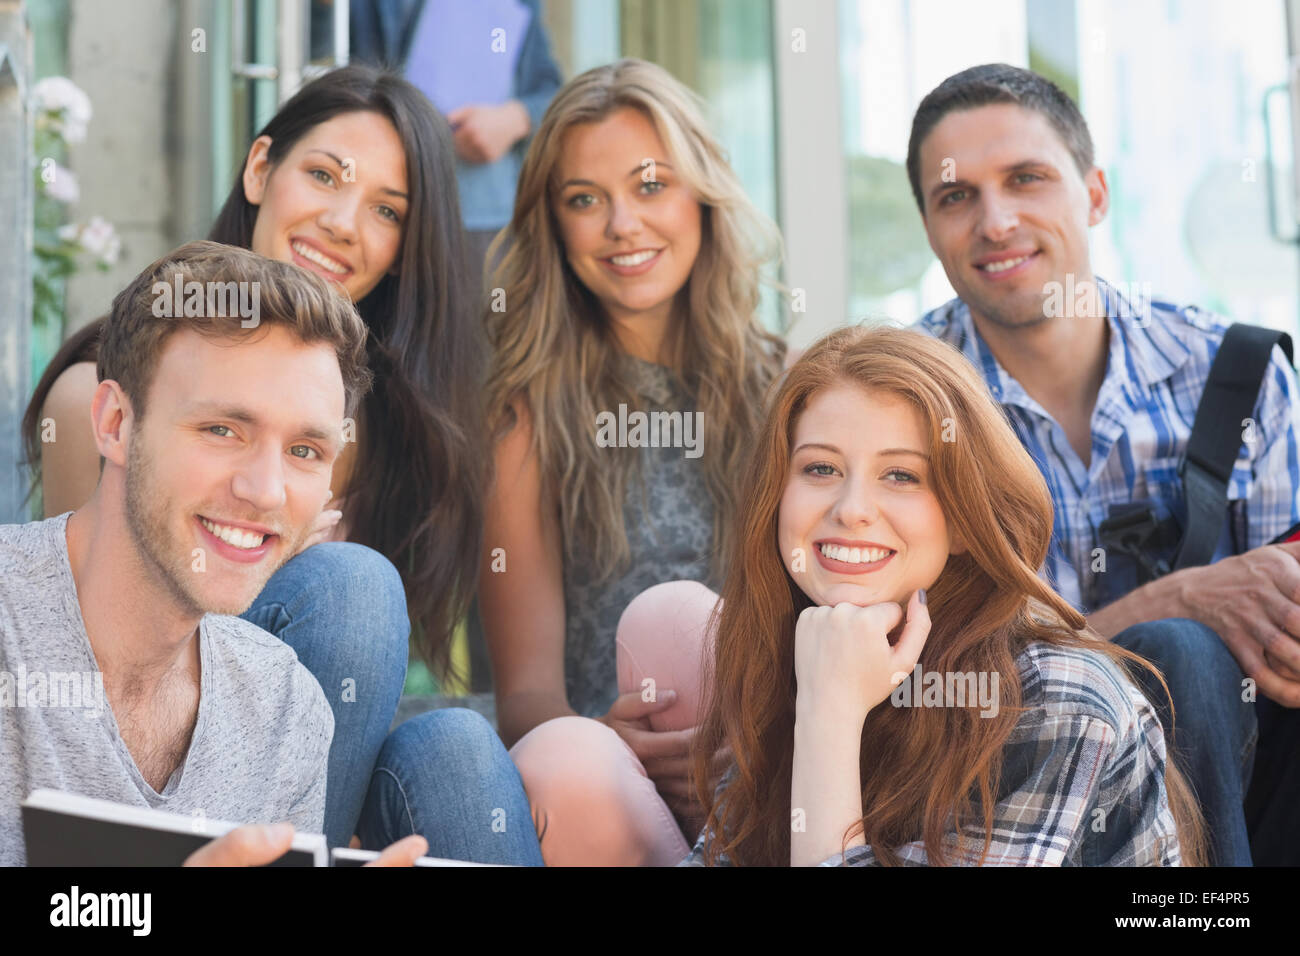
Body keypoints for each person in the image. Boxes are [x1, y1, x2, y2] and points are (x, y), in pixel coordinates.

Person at [19, 66, 533, 862]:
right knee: (352, 589)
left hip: (297, 751)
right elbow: (106, 655)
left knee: (456, 749)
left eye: (387, 210)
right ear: (260, 169)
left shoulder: (404, 428)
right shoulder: (111, 386)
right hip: (145, 766)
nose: (341, 222)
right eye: (323, 175)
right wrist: (256, 550)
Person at [906, 63, 1300, 865]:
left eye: (1027, 179)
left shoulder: (1240, 369)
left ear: (1094, 194)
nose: (996, 220)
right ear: (928, 226)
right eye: (957, 197)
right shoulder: (900, 406)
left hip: (1257, 781)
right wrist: (1169, 602)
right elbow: (928, 682)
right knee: (1177, 649)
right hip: (1013, 792)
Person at [675, 325, 1205, 866]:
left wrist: (828, 716)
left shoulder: (1053, 699)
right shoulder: (815, 654)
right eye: (820, 468)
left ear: (964, 522)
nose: (852, 508)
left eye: (901, 475)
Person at [0, 242, 437, 867]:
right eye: (222, 431)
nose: (265, 490)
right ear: (117, 424)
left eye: (306, 451)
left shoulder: (286, 711)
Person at [478, 58, 786, 864]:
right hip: (608, 794)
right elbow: (527, 694)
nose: (622, 225)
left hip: (775, 772)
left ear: (701, 193)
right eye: (585, 200)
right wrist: (602, 742)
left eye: (651, 185)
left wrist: (750, 740)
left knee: (689, 623)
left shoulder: (792, 391)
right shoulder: (527, 416)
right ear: (553, 224)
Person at [350, 0, 563, 292]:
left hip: (476, 214)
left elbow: (549, 91)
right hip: (380, 202)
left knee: (476, 331)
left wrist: (514, 119)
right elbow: (312, 47)